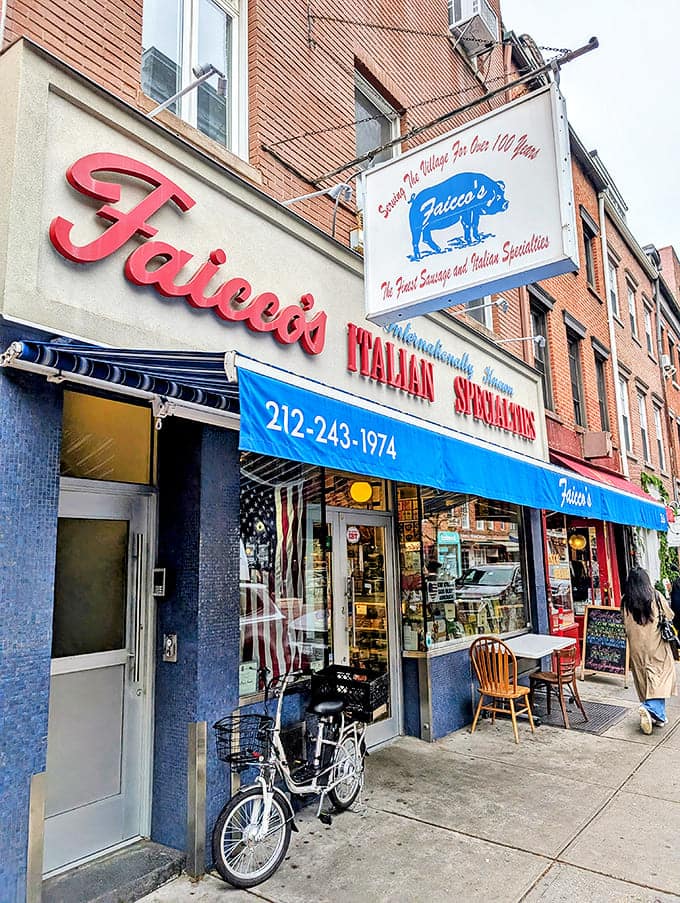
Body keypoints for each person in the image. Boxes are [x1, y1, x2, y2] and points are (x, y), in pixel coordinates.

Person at [621, 566, 677, 734]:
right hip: (656, 645)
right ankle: (650, 708)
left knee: (644, 679)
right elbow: (670, 616)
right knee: (663, 677)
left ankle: (658, 716)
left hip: (637, 648)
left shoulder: (626, 601)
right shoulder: (655, 597)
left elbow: (625, 625)